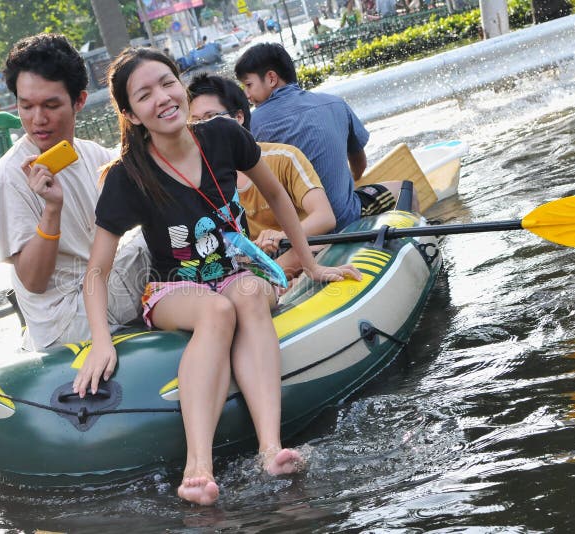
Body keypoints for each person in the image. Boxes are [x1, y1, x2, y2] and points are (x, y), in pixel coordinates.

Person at [76, 47, 362, 506]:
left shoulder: (224, 135)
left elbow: (278, 196)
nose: (163, 98)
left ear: (181, 84)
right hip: (176, 289)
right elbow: (97, 269)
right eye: (144, 95)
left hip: (238, 272)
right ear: (130, 113)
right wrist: (101, 338)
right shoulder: (127, 177)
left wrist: (311, 265)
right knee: (216, 309)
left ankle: (271, 448)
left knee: (245, 293)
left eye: (168, 83)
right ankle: (198, 467)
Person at [0, 33, 150, 351]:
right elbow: (33, 281)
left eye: (50, 105)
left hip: (99, 291)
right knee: (151, 243)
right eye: (26, 106)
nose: (37, 119)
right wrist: (52, 210)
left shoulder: (96, 156)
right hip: (68, 320)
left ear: (79, 101)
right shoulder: (8, 176)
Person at [235, 43, 412, 231]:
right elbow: (359, 166)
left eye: (248, 85)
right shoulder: (335, 103)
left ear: (271, 78)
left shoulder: (251, 123)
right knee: (406, 189)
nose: (246, 95)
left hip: (294, 230)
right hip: (345, 217)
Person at [187, 73, 335, 279]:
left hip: (301, 248)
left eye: (210, 118)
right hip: (250, 266)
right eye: (195, 123)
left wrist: (281, 236)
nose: (204, 129)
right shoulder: (194, 181)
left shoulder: (284, 157)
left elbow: (325, 217)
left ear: (238, 118)